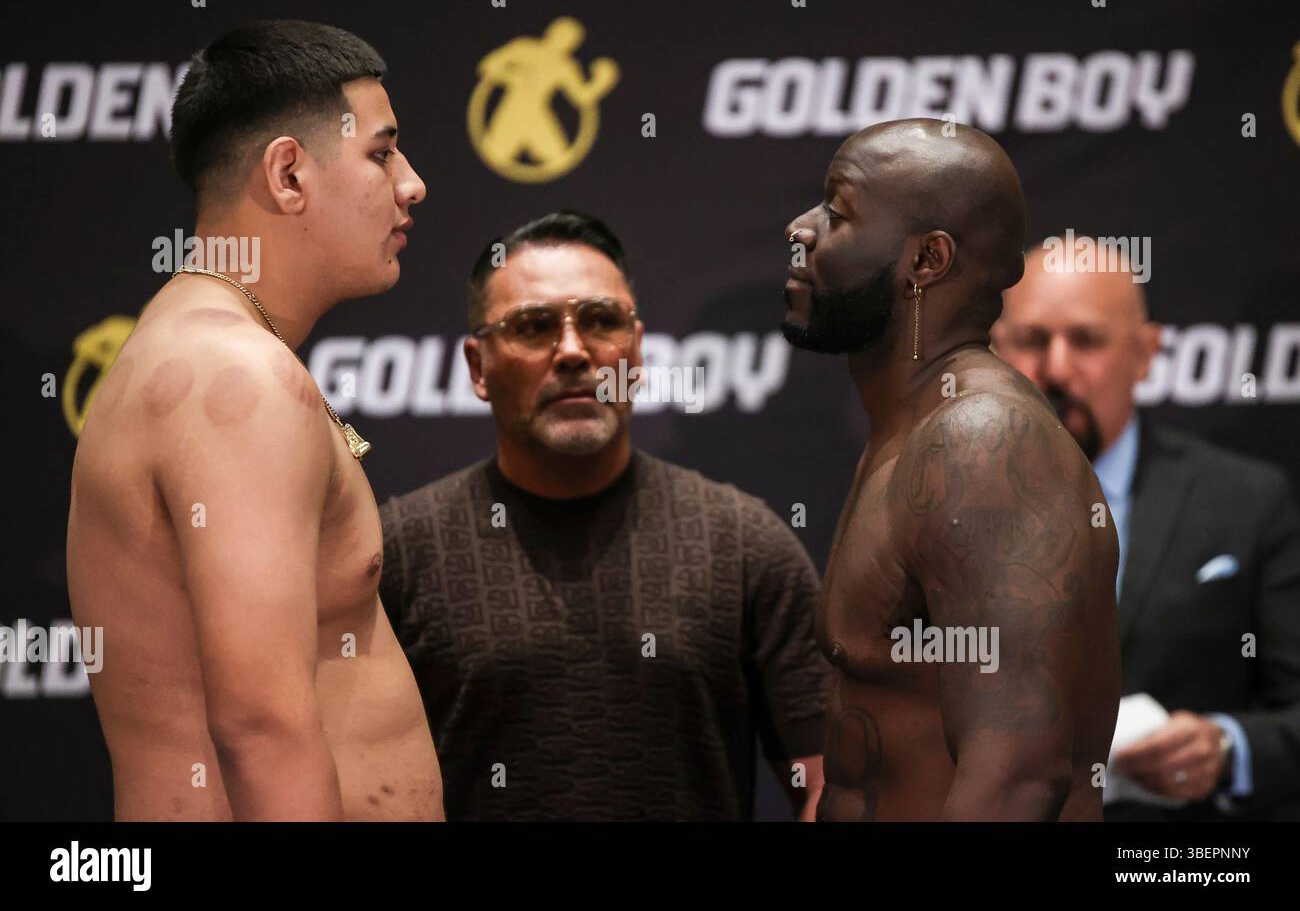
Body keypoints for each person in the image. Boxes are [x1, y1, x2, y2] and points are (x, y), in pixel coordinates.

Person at [65, 20, 443, 820]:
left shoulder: (202, 350)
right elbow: (259, 725)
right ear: (288, 174)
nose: (412, 184)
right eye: (381, 153)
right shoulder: (233, 378)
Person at [379, 210, 828, 820]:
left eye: (600, 321)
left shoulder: (744, 544)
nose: (572, 352)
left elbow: (832, 786)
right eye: (533, 326)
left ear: (636, 350)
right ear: (478, 367)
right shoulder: (400, 551)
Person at [782, 118, 1121, 821]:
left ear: (927, 260)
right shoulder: (910, 432)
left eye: (836, 213)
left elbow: (1017, 779)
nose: (800, 228)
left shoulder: (982, 442)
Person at [993, 239, 1300, 821]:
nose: (1056, 369)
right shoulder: (931, 504)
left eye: (1086, 341)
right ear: (992, 349)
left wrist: (1225, 746)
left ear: (1145, 353)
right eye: (1032, 340)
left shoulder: (1244, 503)